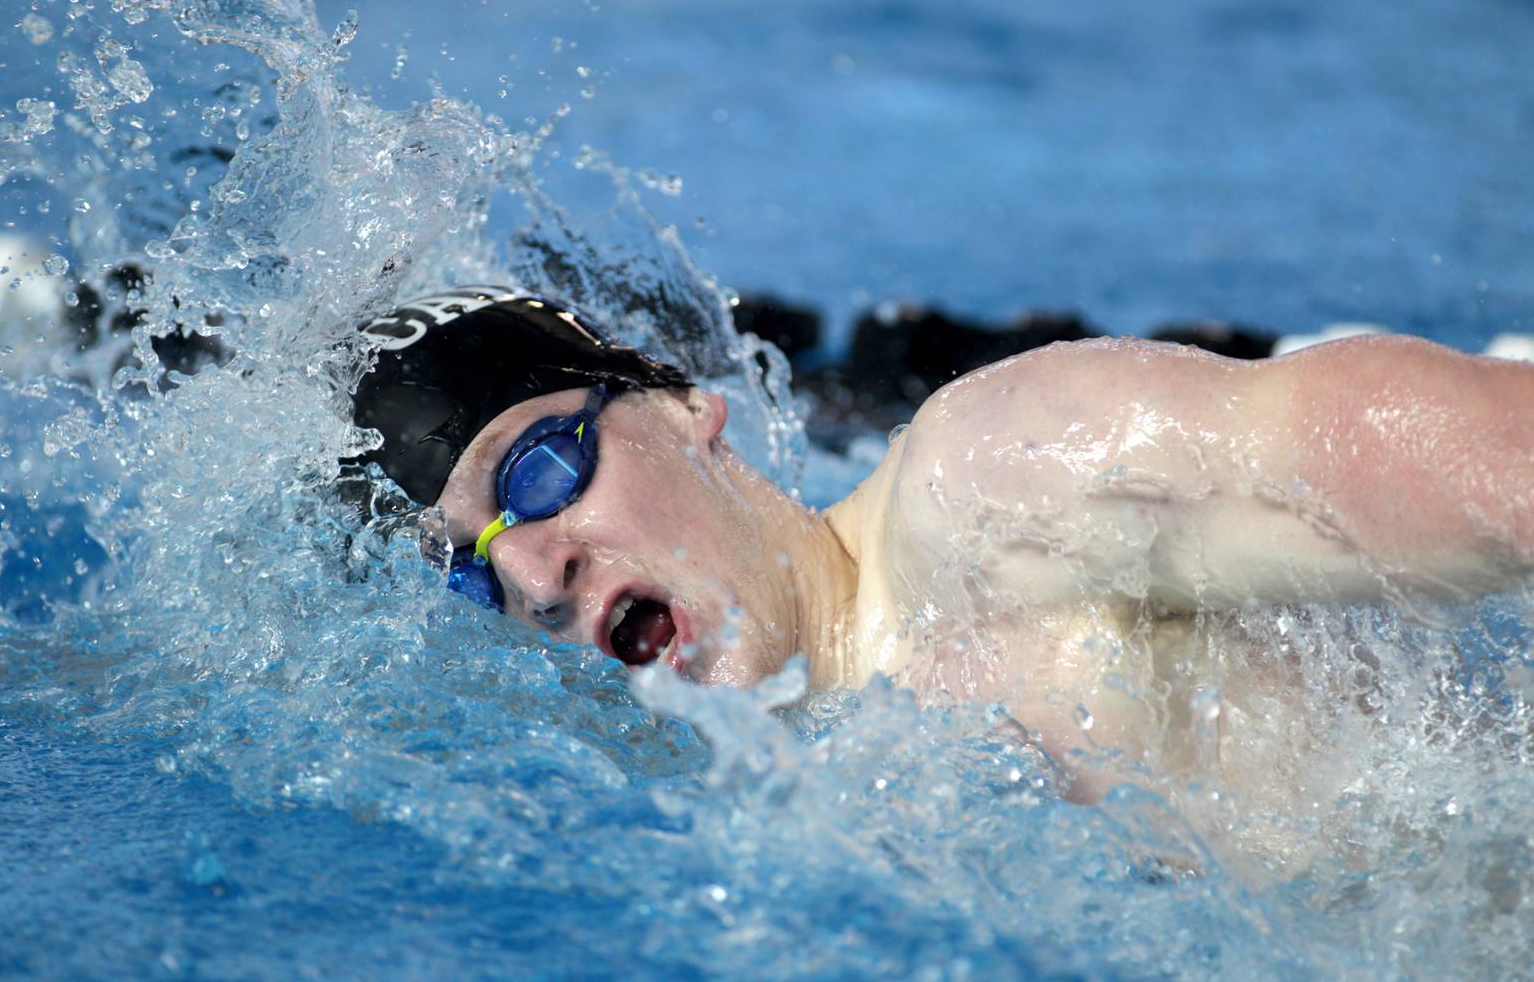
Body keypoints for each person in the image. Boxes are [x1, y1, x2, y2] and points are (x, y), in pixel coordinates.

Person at [349, 285, 1534, 822]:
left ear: (681, 411)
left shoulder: (998, 485)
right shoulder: (716, 792)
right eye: (471, 563)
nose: (535, 569)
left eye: (536, 473)